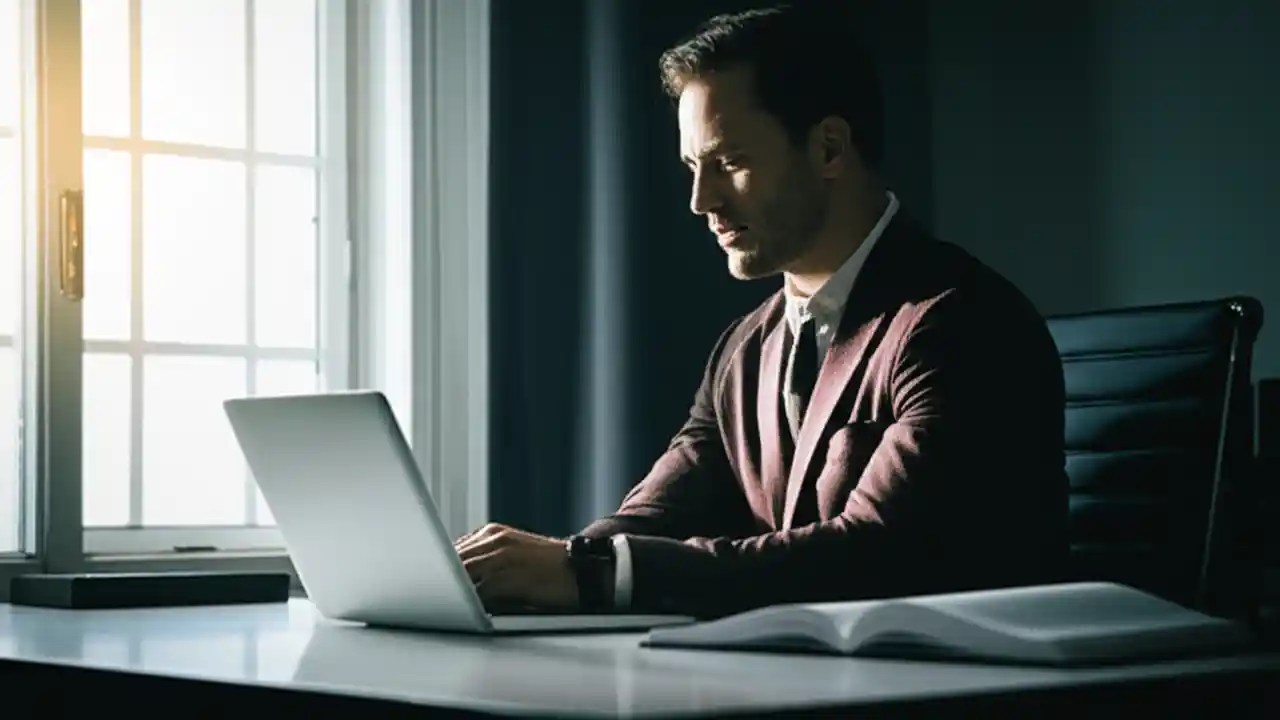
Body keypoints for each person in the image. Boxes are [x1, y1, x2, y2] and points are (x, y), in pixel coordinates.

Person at [454, 3, 1068, 619]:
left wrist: (590, 573)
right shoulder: (743, 350)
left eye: (730, 163)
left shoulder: (963, 322)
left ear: (829, 148)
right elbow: (656, 516)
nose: (701, 201)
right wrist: (541, 567)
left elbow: (881, 555)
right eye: (695, 168)